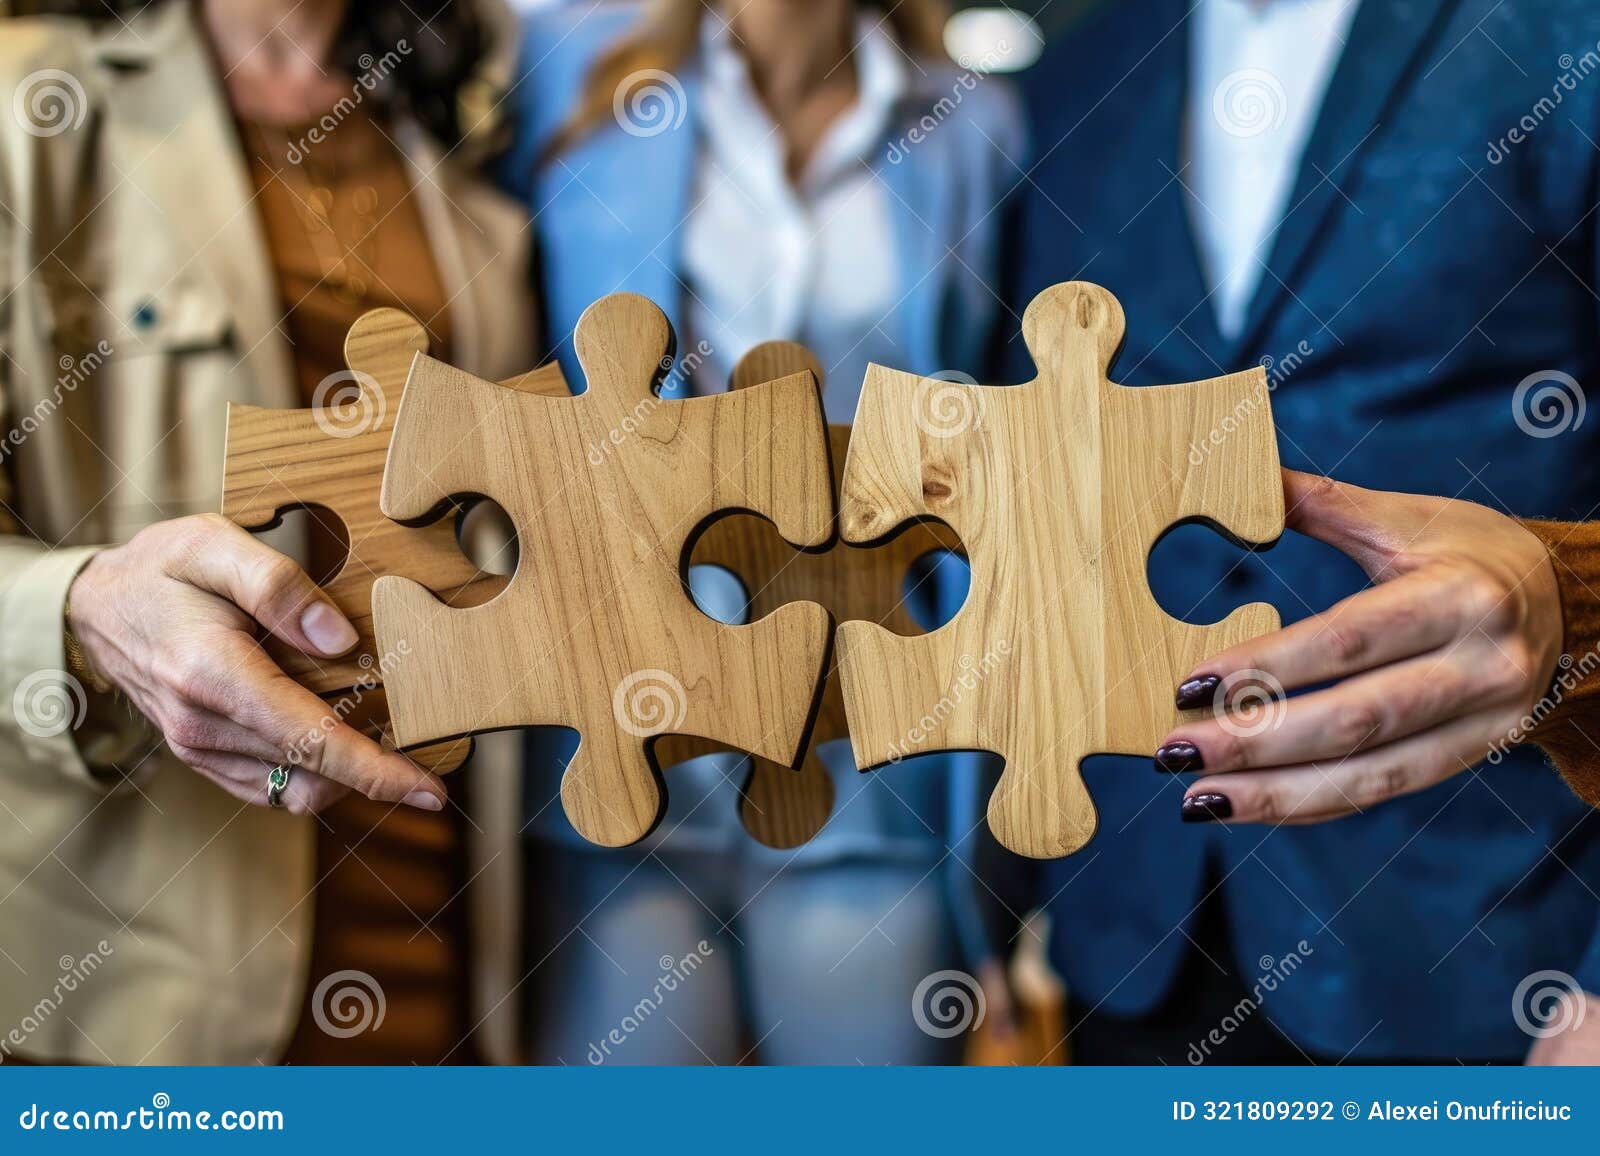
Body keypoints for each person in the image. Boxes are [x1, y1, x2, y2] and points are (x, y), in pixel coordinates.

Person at [1007, 0, 1600, 1063]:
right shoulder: (1072, 74)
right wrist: (996, 906)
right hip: (1133, 933)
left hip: (1488, 939)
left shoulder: (1560, 35)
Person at [0, 0, 537, 1063]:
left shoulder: (459, 143)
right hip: (147, 987)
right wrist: (87, 612)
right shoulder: (30, 103)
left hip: (449, 933)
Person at [501, 0, 1025, 1063]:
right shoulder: (567, 68)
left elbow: (999, 455)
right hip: (620, 740)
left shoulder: (972, 126)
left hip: (871, 753)